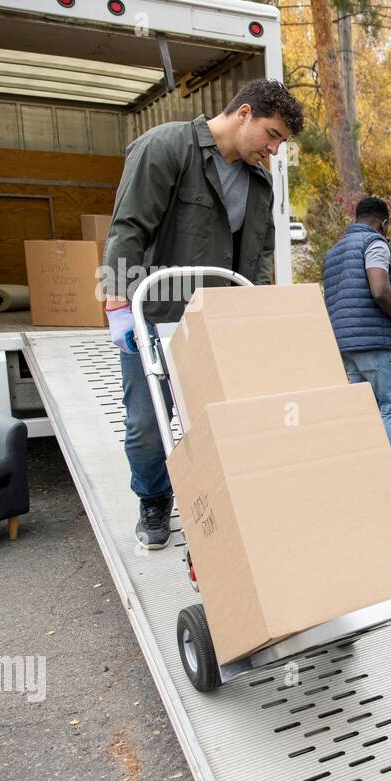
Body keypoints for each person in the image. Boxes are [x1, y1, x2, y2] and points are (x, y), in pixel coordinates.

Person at [100, 79, 304, 549]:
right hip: (159, 315)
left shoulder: (259, 180)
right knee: (149, 424)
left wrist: (260, 313)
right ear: (245, 113)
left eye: (281, 144)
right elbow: (128, 229)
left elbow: (260, 252)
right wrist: (119, 305)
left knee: (216, 419)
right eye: (272, 136)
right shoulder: (167, 147)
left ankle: (213, 504)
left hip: (219, 323)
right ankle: (153, 499)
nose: (274, 150)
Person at [321, 197, 391, 466]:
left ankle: (366, 478)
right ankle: (389, 482)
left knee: (364, 414)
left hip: (346, 347)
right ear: (384, 223)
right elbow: (380, 290)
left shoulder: (333, 254)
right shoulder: (375, 243)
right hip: (376, 343)